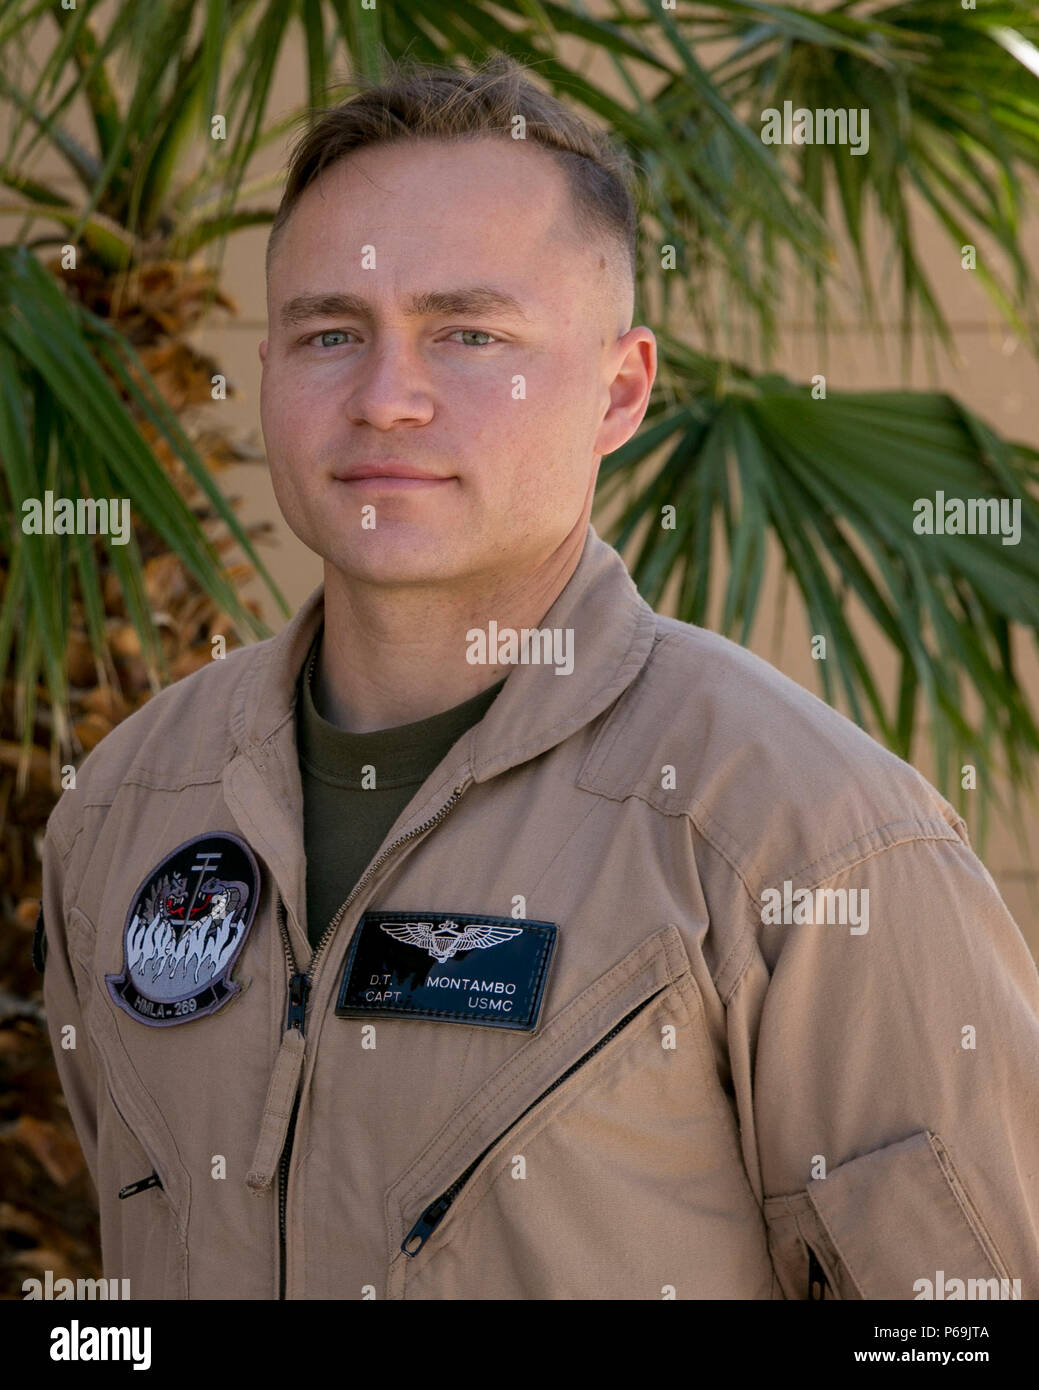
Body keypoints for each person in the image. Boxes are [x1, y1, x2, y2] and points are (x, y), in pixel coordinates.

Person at [36, 53, 1039, 1301]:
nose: (386, 399)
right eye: (330, 333)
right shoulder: (126, 808)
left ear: (619, 391)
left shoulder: (800, 842)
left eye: (468, 334)